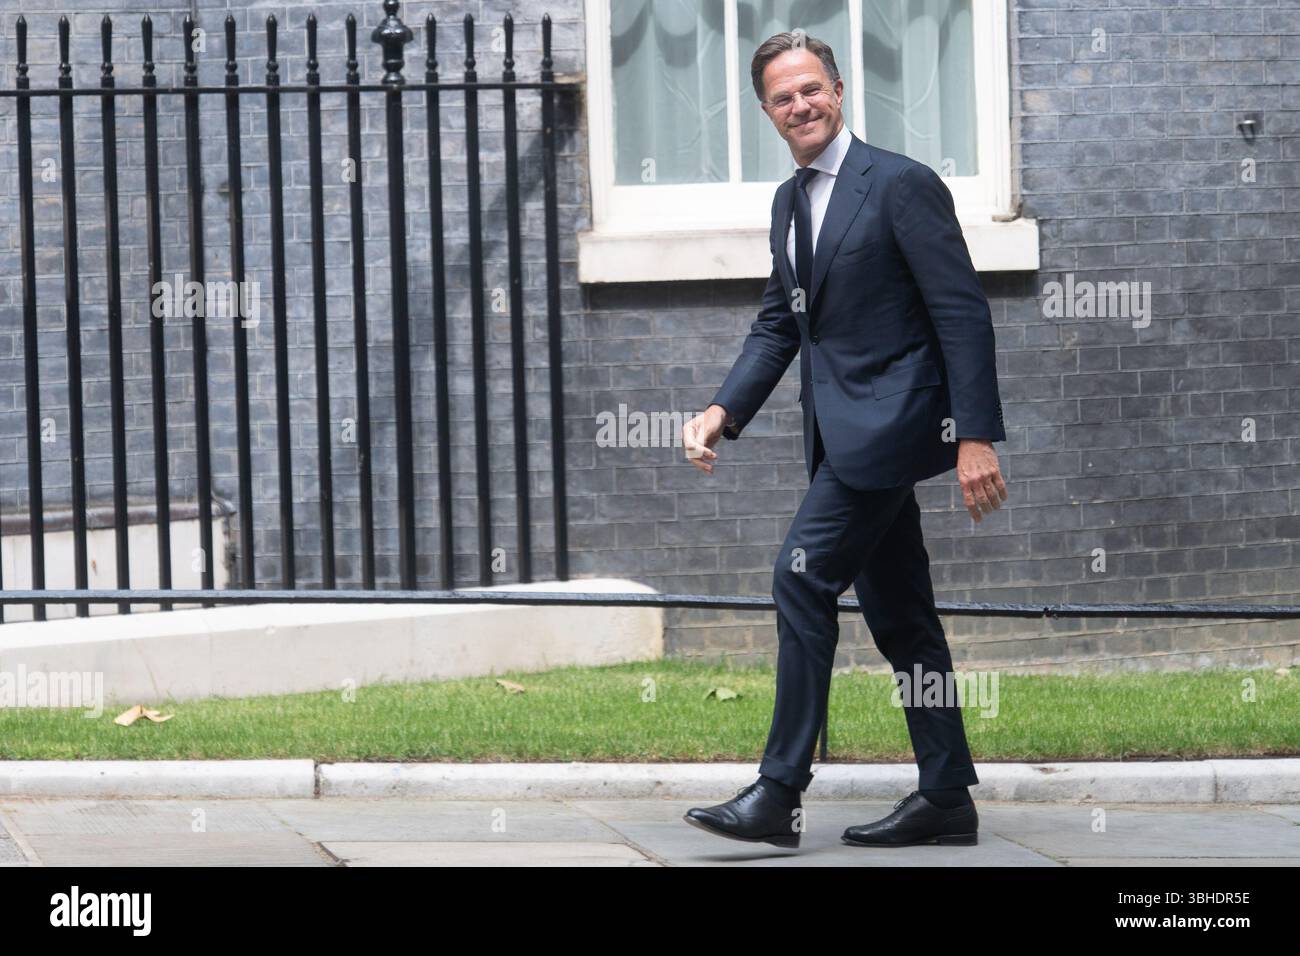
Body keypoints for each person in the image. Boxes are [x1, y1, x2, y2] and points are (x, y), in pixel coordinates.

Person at [680, 30, 1009, 850]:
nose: (801, 106)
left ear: (838, 90)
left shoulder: (899, 184)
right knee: (902, 614)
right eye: (783, 98)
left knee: (800, 577)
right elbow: (779, 324)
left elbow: (961, 312)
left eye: (811, 89)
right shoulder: (788, 203)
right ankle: (947, 796)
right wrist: (723, 409)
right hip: (840, 438)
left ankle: (778, 791)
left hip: (894, 428)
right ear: (767, 112)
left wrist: (974, 436)